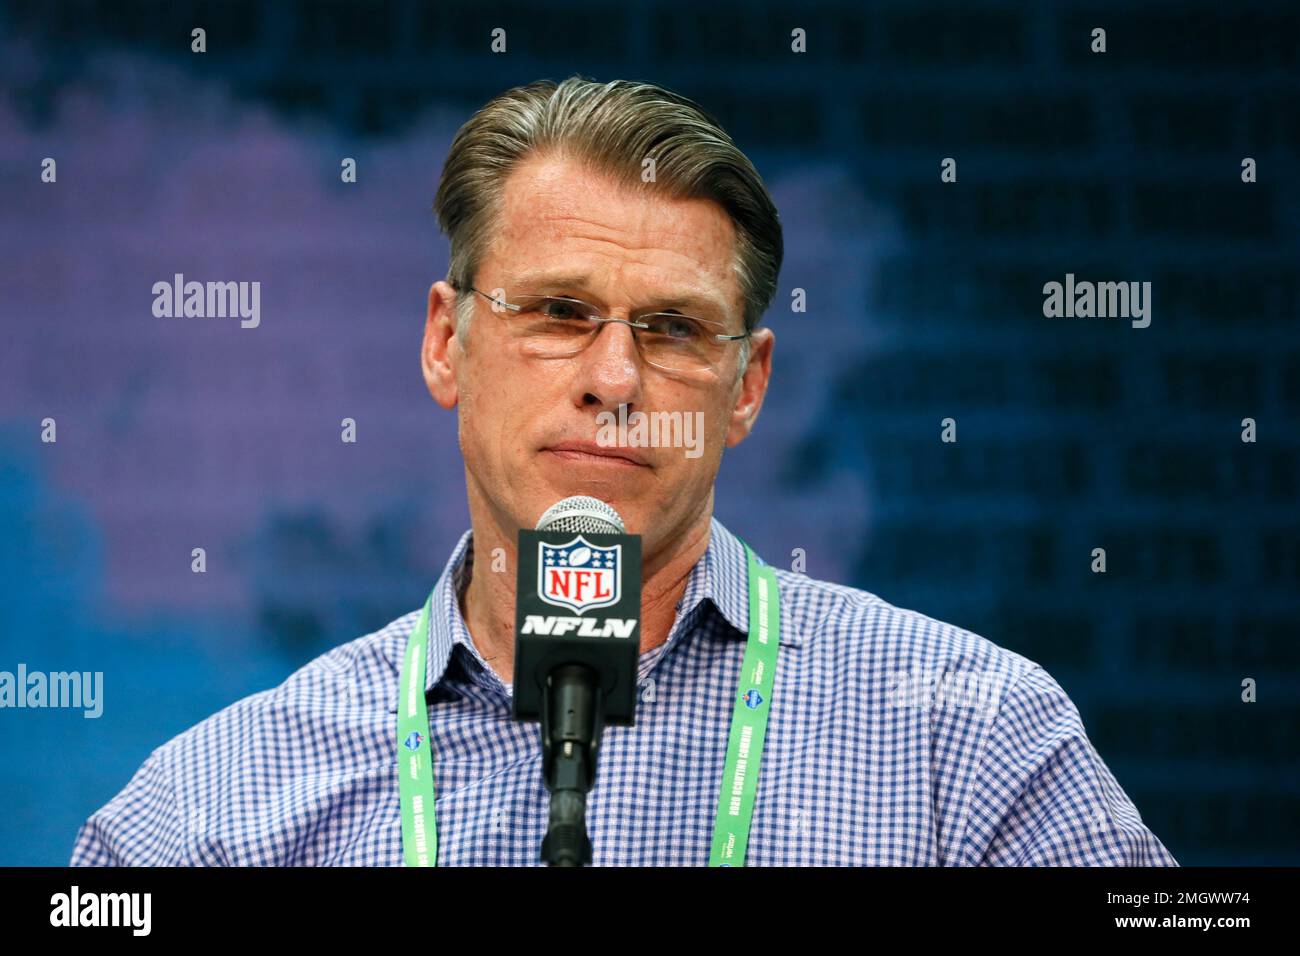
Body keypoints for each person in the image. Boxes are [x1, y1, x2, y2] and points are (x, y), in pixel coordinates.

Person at [71, 76, 1176, 866]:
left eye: (674, 328)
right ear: (446, 342)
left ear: (746, 388)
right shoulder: (208, 813)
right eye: (559, 312)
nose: (614, 377)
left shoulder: (969, 739)